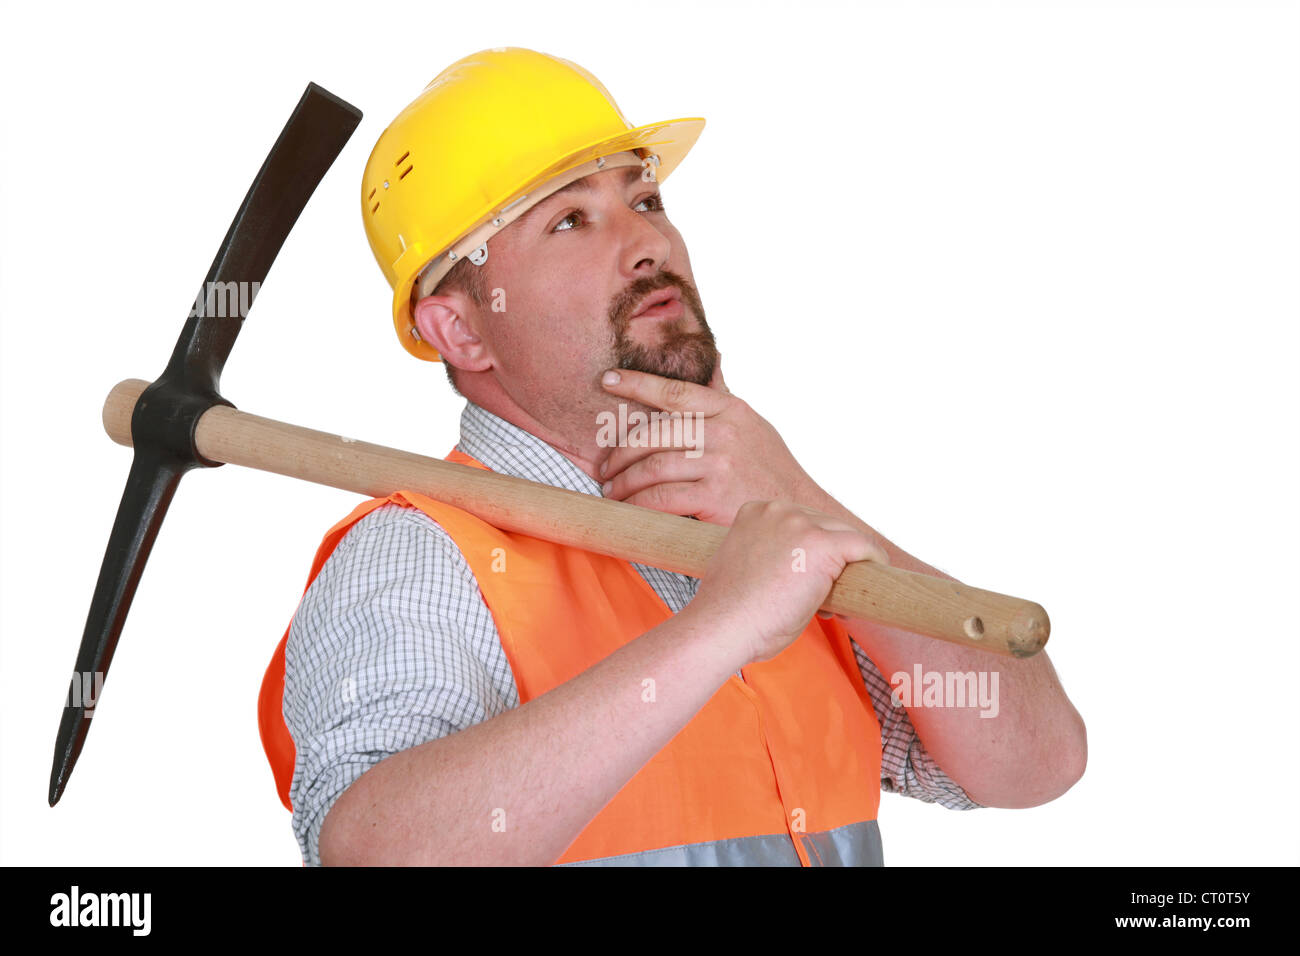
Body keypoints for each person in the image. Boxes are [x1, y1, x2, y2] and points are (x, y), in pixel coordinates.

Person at [258, 47, 1087, 867]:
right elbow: (380, 853)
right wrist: (722, 627)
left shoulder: (765, 538)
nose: (646, 243)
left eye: (645, 197)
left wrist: (800, 499)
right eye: (570, 219)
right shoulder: (424, 559)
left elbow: (1037, 762)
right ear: (462, 329)